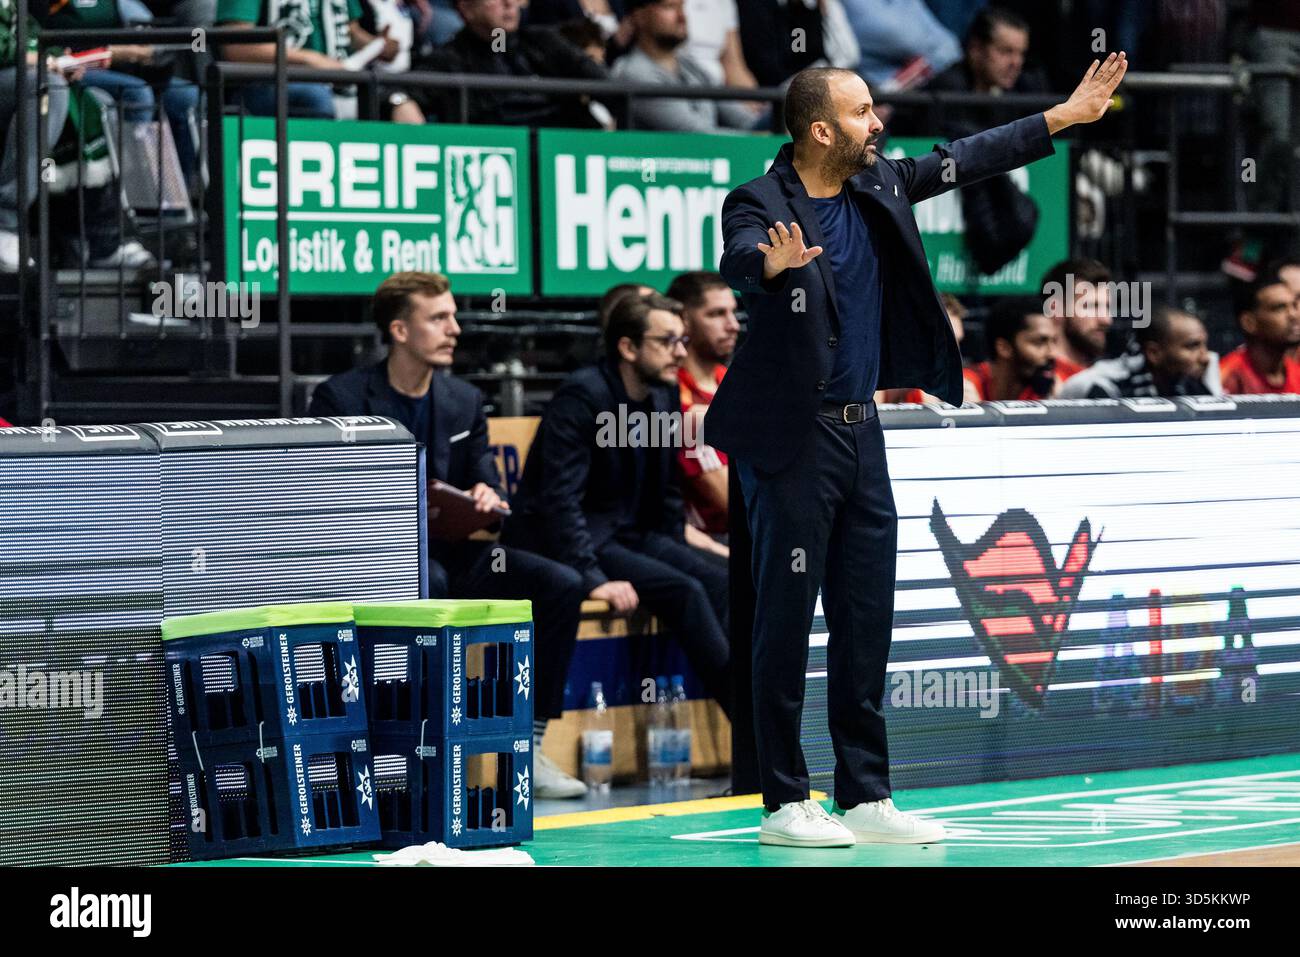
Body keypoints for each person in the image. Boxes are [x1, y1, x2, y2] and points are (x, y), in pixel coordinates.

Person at [704, 54, 1127, 847]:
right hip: (792, 437)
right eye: (862, 112)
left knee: (866, 617)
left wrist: (1063, 118)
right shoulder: (759, 199)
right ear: (820, 129)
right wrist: (769, 264)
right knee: (783, 621)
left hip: (863, 430)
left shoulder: (880, 184)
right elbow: (739, 255)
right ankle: (784, 799)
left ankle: (865, 793)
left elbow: (967, 156)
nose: (878, 123)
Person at [307, 271, 591, 800]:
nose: (454, 329)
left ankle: (529, 746)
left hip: (452, 550)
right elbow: (325, 502)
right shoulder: (340, 397)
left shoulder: (463, 398)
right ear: (399, 330)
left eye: (454, 316)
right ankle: (417, 748)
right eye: (438, 318)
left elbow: (486, 480)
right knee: (430, 581)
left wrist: (485, 495)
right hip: (374, 562)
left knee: (560, 584)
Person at [503, 293, 733, 715]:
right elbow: (559, 500)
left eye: (682, 341)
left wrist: (679, 546)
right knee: (687, 591)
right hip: (582, 541)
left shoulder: (663, 394)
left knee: (728, 581)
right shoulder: (582, 397)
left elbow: (667, 491)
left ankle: (756, 716)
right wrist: (590, 576)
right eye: (667, 341)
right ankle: (751, 722)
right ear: (628, 347)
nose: (679, 352)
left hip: (635, 534)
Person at [400, 0, 615, 127]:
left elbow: (609, 86)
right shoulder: (450, 59)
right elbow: (398, 92)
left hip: (560, 154)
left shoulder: (543, 43)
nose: (509, 3)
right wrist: (399, 102)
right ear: (466, 9)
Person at [217, 0, 400, 119]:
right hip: (271, 84)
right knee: (315, 95)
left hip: (343, 82)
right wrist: (311, 61)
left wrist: (377, 45)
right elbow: (235, 47)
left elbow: (350, 30)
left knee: (402, 106)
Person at [666, 270, 738, 542]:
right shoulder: (673, 397)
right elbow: (735, 504)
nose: (733, 325)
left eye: (733, 312)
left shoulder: (733, 381)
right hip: (712, 540)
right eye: (716, 314)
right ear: (683, 320)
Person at [609, 0, 754, 132]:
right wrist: (757, 136)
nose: (682, 16)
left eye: (682, 6)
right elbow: (695, 134)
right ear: (640, 16)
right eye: (669, 7)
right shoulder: (633, 73)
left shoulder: (692, 68)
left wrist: (763, 126)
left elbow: (742, 119)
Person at [1059, 305, 1219, 399]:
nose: (1205, 358)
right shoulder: (1104, 388)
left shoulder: (1185, 383)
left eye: (1204, 345)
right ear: (1153, 353)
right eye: (1192, 346)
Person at [1219, 266, 1300, 394]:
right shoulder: (1226, 376)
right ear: (1249, 322)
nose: (1294, 315)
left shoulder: (1297, 373)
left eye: (1294, 305)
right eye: (1279, 308)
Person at [963, 297, 1060, 401]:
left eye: (1054, 341)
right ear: (1004, 348)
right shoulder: (966, 386)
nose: (1053, 353)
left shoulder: (1049, 388)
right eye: (1039, 343)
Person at [1041, 257, 1114, 381]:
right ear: (1055, 309)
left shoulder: (1108, 378)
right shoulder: (1040, 383)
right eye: (1091, 306)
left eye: (1107, 307)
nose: (1106, 320)